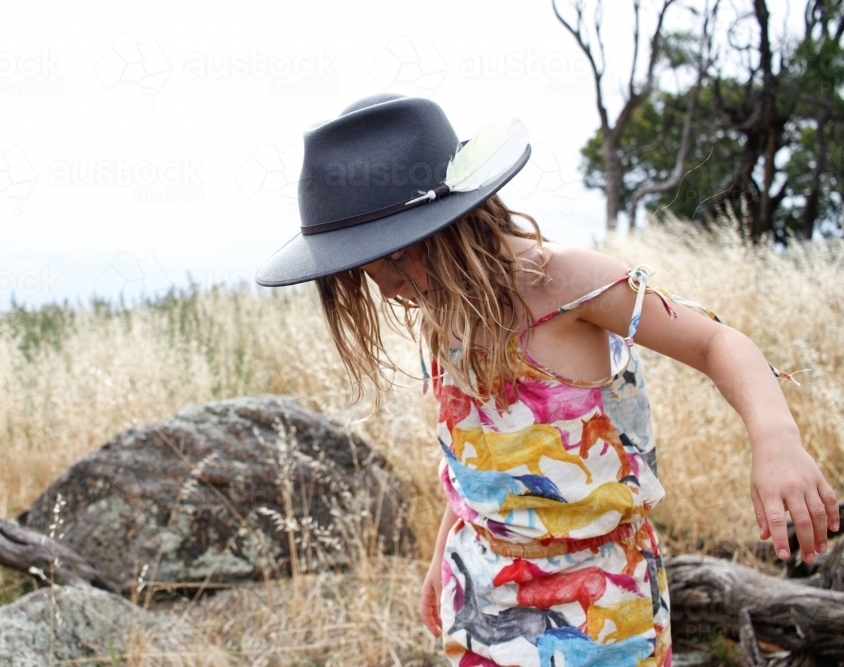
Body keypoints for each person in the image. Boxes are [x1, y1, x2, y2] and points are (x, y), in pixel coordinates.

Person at [254, 93, 839, 667]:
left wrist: (776, 440)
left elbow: (717, 341)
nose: (383, 286)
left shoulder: (564, 281)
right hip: (480, 590)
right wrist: (442, 558)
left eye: (391, 256)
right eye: (365, 266)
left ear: (446, 221)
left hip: (601, 608)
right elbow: (476, 457)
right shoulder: (448, 305)